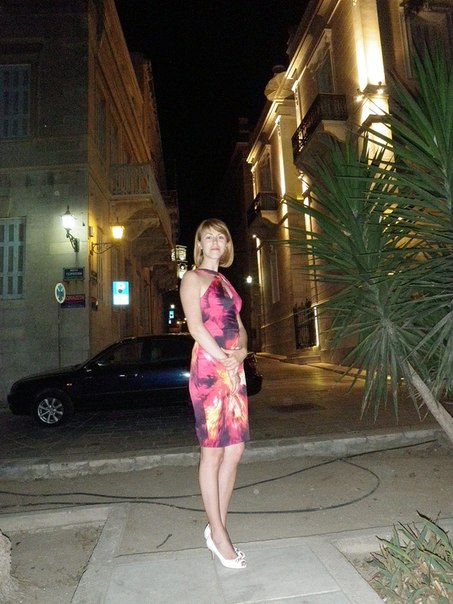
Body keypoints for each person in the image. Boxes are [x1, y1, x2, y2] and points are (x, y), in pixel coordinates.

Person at [180, 218, 249, 570]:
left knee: (235, 450)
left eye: (220, 237)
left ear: (226, 245)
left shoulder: (227, 283)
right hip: (210, 371)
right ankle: (219, 535)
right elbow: (195, 326)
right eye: (208, 237)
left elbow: (240, 327)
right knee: (213, 452)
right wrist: (225, 359)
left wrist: (242, 352)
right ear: (200, 245)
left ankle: (215, 526)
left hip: (234, 371)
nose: (215, 242)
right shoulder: (192, 279)